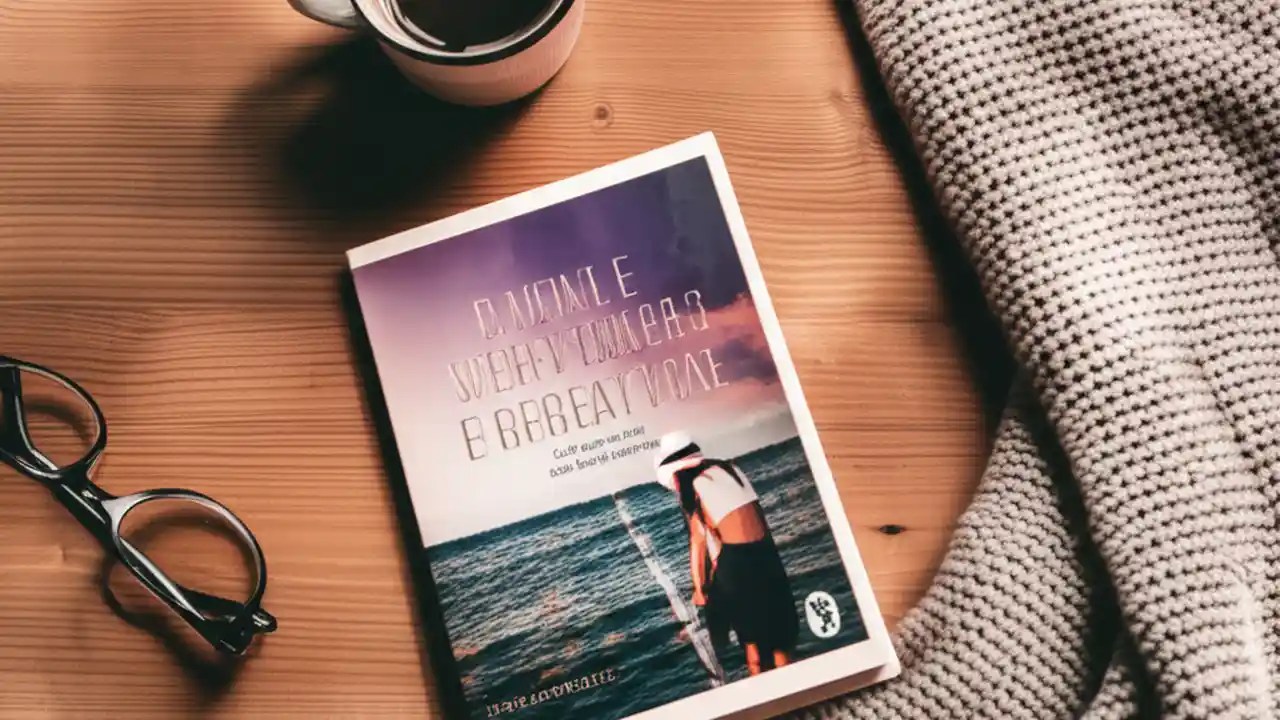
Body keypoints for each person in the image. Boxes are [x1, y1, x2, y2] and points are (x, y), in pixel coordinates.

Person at [654, 431, 798, 675]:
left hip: (738, 565)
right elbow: (752, 517)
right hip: (767, 556)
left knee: (753, 648)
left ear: (675, 472)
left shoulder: (692, 486)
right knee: (780, 643)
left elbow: (698, 542)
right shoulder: (729, 468)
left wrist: (699, 590)